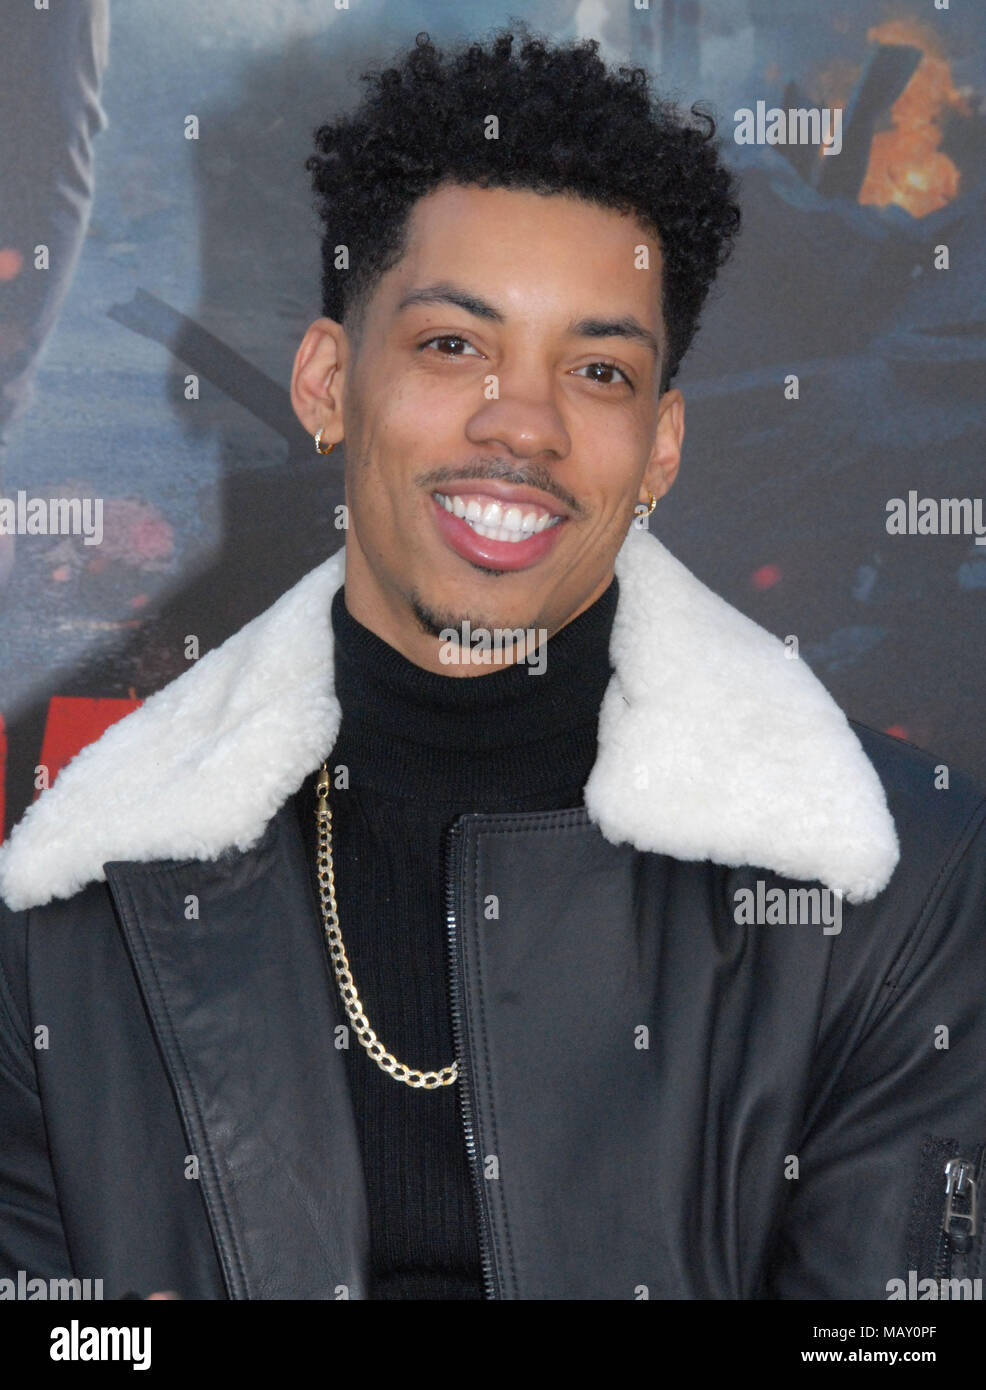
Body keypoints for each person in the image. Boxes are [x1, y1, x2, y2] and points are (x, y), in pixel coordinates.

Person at [1, 26, 984, 1302]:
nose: (520, 422)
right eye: (452, 345)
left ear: (662, 447)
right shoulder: (82, 899)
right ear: (326, 383)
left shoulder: (889, 889)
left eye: (596, 368)